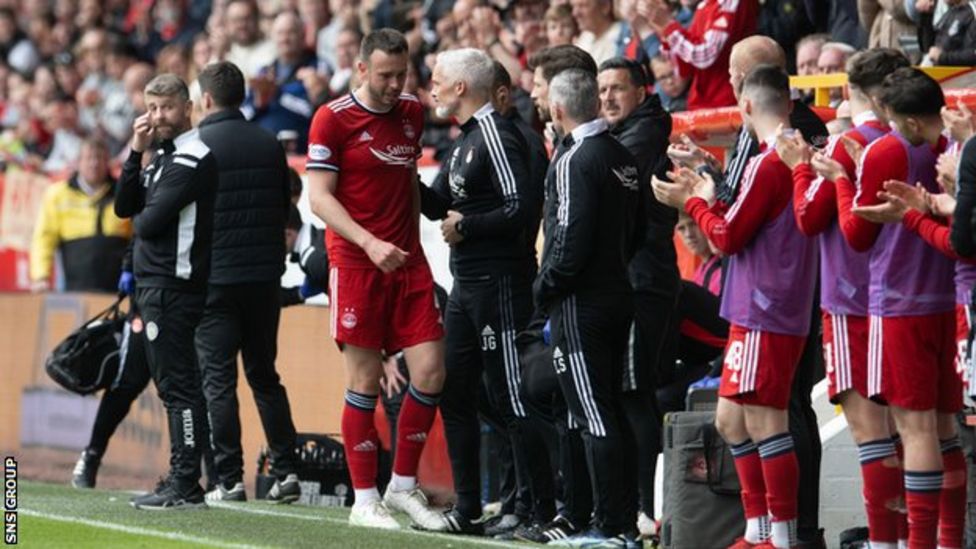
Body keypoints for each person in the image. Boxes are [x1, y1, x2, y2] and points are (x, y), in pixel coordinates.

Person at [653, 64, 818, 549]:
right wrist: (708, 181)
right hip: (755, 306)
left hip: (768, 307)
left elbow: (726, 235)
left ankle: (781, 537)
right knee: (729, 421)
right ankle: (757, 530)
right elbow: (743, 219)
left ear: (744, 104)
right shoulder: (775, 158)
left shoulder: (770, 162)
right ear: (788, 103)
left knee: (767, 422)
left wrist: (693, 202)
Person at [305, 28, 446, 531]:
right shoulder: (332, 118)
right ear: (361, 68)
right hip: (357, 262)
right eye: (385, 75)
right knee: (364, 380)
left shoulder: (411, 112)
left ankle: (402, 486)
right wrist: (368, 243)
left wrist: (425, 224)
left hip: (406, 261)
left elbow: (408, 179)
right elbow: (319, 197)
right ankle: (364, 499)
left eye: (401, 74)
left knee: (431, 371)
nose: (394, 84)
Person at [774, 47, 910, 548]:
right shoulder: (916, 141)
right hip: (903, 296)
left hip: (852, 301)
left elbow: (808, 217)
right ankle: (910, 537)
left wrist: (799, 168)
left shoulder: (849, 146)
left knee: (870, 430)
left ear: (853, 92)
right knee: (909, 429)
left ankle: (886, 541)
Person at [829, 67, 962, 549]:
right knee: (944, 429)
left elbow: (856, 235)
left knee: (915, 429)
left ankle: (920, 542)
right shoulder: (954, 147)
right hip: (947, 298)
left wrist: (841, 179)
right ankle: (948, 540)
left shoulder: (887, 149)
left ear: (903, 118)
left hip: (899, 303)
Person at [535, 68, 641, 547]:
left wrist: (545, 287)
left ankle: (610, 526)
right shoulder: (622, 154)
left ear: (558, 110)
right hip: (617, 293)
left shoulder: (574, 158)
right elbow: (638, 231)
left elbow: (568, 238)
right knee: (607, 410)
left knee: (593, 415)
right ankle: (615, 521)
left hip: (580, 303)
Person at [191, 61, 301, 504]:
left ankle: (229, 479)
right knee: (265, 376)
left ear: (206, 98)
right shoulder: (268, 142)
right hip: (263, 280)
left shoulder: (196, 144)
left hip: (215, 281)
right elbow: (284, 207)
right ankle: (287, 471)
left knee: (218, 381)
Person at [114, 73, 217, 510]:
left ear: (188, 108)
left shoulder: (193, 158)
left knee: (179, 388)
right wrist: (135, 152)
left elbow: (147, 223)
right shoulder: (159, 157)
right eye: (152, 108)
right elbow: (124, 207)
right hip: (155, 286)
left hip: (173, 287)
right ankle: (185, 479)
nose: (158, 117)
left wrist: (142, 211)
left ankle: (185, 481)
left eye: (167, 108)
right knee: (174, 386)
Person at [597, 56, 675, 540]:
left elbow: (606, 188)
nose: (607, 97)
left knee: (633, 394)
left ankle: (645, 508)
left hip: (641, 281)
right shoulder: (630, 131)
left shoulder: (642, 135)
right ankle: (635, 505)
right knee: (631, 394)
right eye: (601, 89)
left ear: (641, 93)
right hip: (636, 279)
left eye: (617, 89)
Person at [30, 137, 131, 293]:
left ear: (108, 162)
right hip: (73, 285)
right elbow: (44, 238)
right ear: (78, 162)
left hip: (118, 286)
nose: (94, 163)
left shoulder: (124, 192)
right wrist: (40, 277)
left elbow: (139, 237)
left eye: (100, 158)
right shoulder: (58, 194)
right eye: (89, 158)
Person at [643, 0, 759, 109]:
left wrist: (668, 25)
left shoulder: (730, 2)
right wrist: (662, 26)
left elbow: (705, 55)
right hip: (701, 104)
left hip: (727, 103)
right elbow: (684, 66)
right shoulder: (704, 6)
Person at [242, 12, 318, 154]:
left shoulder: (316, 68)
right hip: (261, 150)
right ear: (273, 37)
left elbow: (312, 111)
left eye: (291, 32)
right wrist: (257, 105)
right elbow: (242, 115)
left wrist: (278, 94)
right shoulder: (263, 73)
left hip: (299, 151)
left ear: (302, 35)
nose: (285, 38)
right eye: (280, 33)